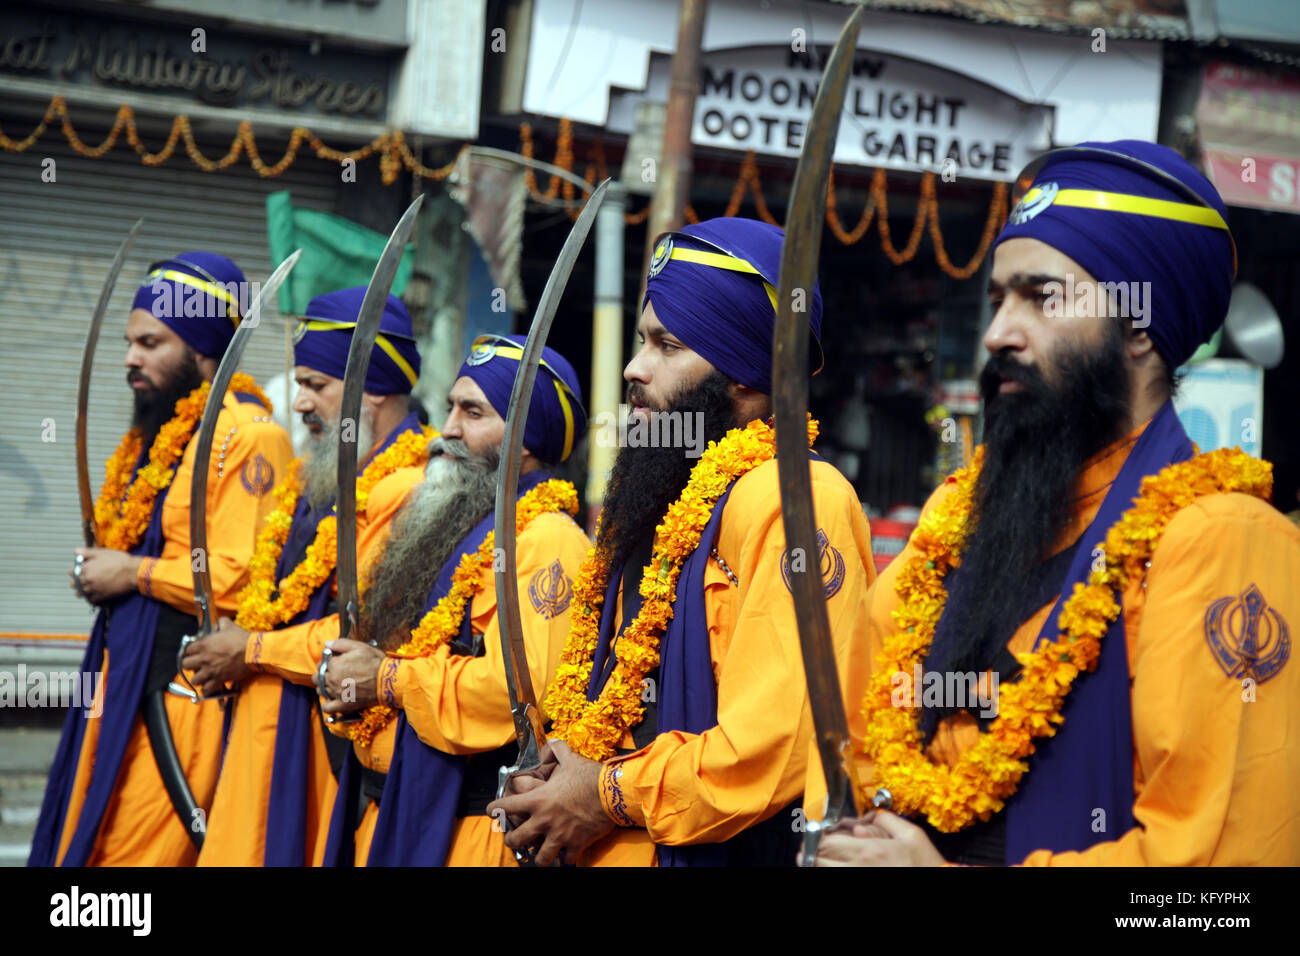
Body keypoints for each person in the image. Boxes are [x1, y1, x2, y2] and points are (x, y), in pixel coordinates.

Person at [810, 140, 1300, 867]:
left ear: (1139, 327)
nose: (997, 334)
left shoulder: (1219, 538)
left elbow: (1218, 886)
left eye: (1041, 298)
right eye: (999, 299)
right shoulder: (956, 517)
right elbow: (860, 728)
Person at [489, 217, 876, 867]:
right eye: (643, 341)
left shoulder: (795, 500)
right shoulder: (659, 496)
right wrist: (567, 767)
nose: (634, 368)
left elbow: (774, 746)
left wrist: (605, 791)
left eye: (667, 345)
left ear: (746, 372)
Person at [196, 335, 591, 866]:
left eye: (472, 412)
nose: (447, 429)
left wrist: (386, 681)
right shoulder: (446, 525)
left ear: (525, 436)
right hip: (389, 808)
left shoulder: (548, 538)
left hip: (470, 831)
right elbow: (386, 648)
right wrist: (353, 685)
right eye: (451, 407)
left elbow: (517, 697)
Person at [30, 252, 293, 866]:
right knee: (87, 841)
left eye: (151, 342)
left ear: (204, 348)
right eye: (129, 343)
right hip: (119, 670)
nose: (130, 358)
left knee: (135, 858)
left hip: (182, 693)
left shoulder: (250, 436)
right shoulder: (162, 431)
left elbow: (238, 579)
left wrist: (130, 573)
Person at [187, 288, 431, 866]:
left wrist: (248, 649)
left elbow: (363, 639)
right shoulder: (319, 478)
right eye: (300, 385)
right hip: (261, 731)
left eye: (315, 386)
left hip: (324, 752)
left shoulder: (410, 489)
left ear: (371, 393)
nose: (297, 403)